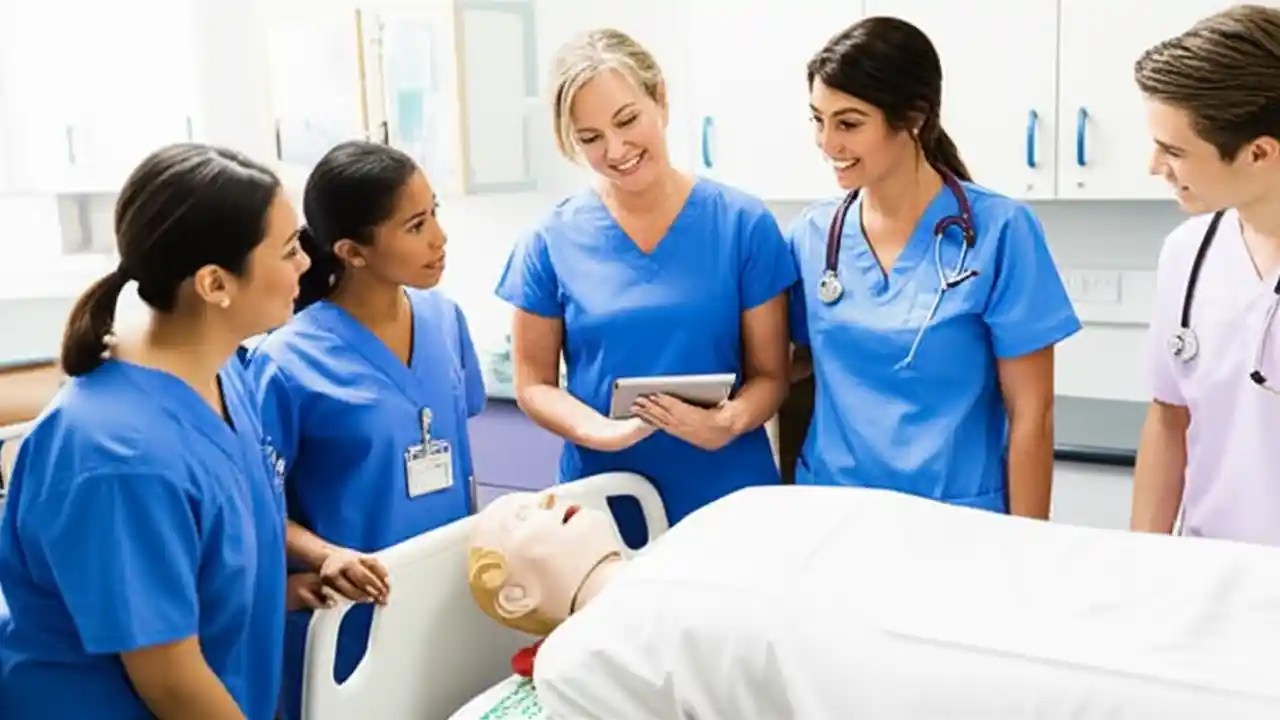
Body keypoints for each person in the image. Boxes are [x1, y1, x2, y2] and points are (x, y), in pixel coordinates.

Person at [467, 484, 1280, 718]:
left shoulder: (719, 515)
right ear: (516, 593)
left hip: (958, 570)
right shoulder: (586, 651)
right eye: (520, 517)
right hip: (884, 656)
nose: (548, 498)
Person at [0, 143, 309, 719]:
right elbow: (171, 682)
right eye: (290, 249)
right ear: (215, 283)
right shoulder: (116, 455)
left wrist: (272, 595)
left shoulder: (225, 378)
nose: (306, 264)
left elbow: (206, 552)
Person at [494, 28, 794, 543]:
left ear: (660, 99)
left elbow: (771, 375)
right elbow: (533, 385)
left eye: (627, 119)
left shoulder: (743, 224)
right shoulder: (549, 240)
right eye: (590, 138)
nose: (616, 149)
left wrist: (727, 422)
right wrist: (600, 432)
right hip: (602, 503)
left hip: (727, 496)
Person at [786, 17, 1081, 516]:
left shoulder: (1001, 231)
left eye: (849, 124)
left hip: (957, 513)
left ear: (915, 118)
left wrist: (1029, 544)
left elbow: (1033, 413)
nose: (828, 144)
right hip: (831, 507)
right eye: (818, 120)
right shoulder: (812, 236)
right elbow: (781, 366)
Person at [244, 140, 486, 720]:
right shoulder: (288, 362)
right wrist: (328, 555)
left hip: (445, 600)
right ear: (352, 251)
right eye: (416, 225)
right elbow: (253, 510)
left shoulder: (444, 321)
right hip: (351, 621)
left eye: (435, 213)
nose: (439, 238)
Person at [1129, 6, 1280, 546]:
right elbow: (1169, 420)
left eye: (1174, 150)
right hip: (1207, 565)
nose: (1155, 166)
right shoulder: (1187, 253)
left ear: (1259, 152)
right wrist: (1142, 557)